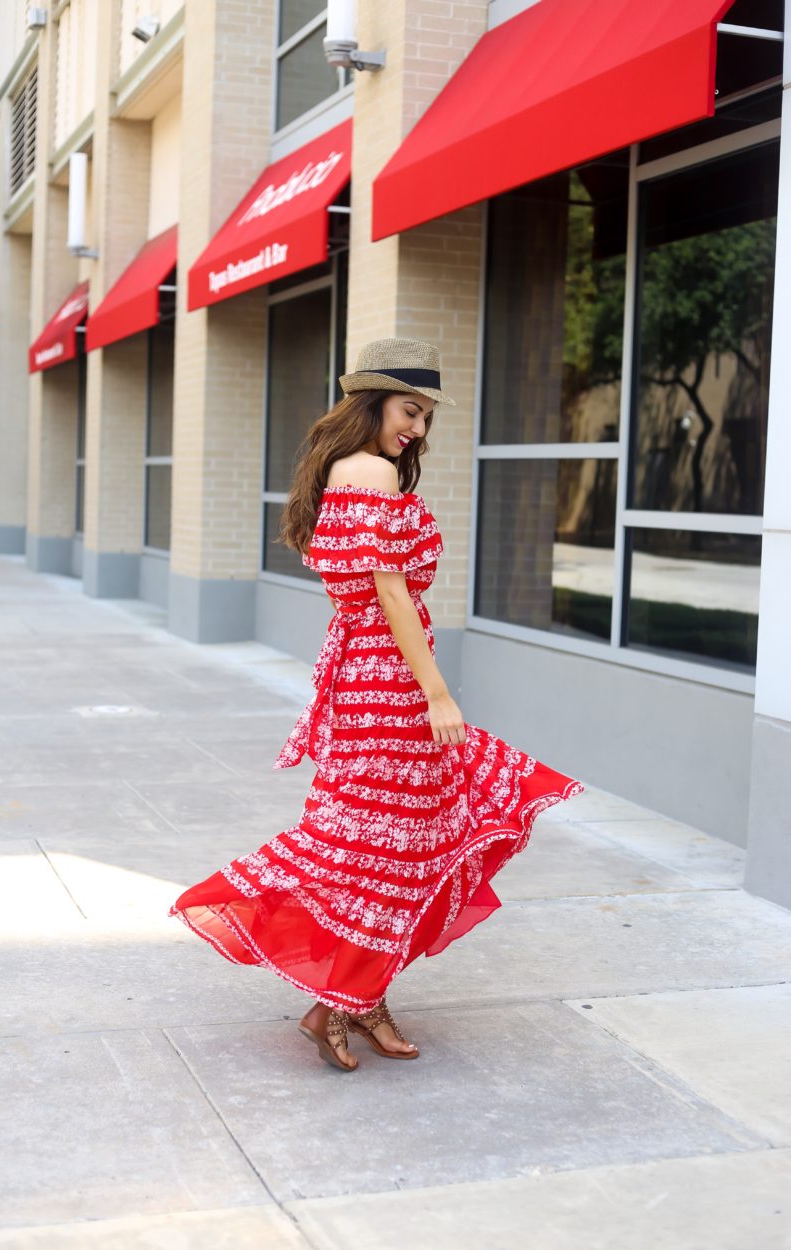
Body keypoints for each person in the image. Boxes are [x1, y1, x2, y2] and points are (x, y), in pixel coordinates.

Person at [168, 338, 584, 1072]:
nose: (417, 428)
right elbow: (390, 591)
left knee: (389, 844)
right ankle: (337, 1002)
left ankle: (361, 996)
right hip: (387, 680)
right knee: (387, 848)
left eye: (423, 416)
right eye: (409, 410)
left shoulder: (336, 470)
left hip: (362, 674)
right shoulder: (373, 471)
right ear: (373, 403)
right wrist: (437, 691)